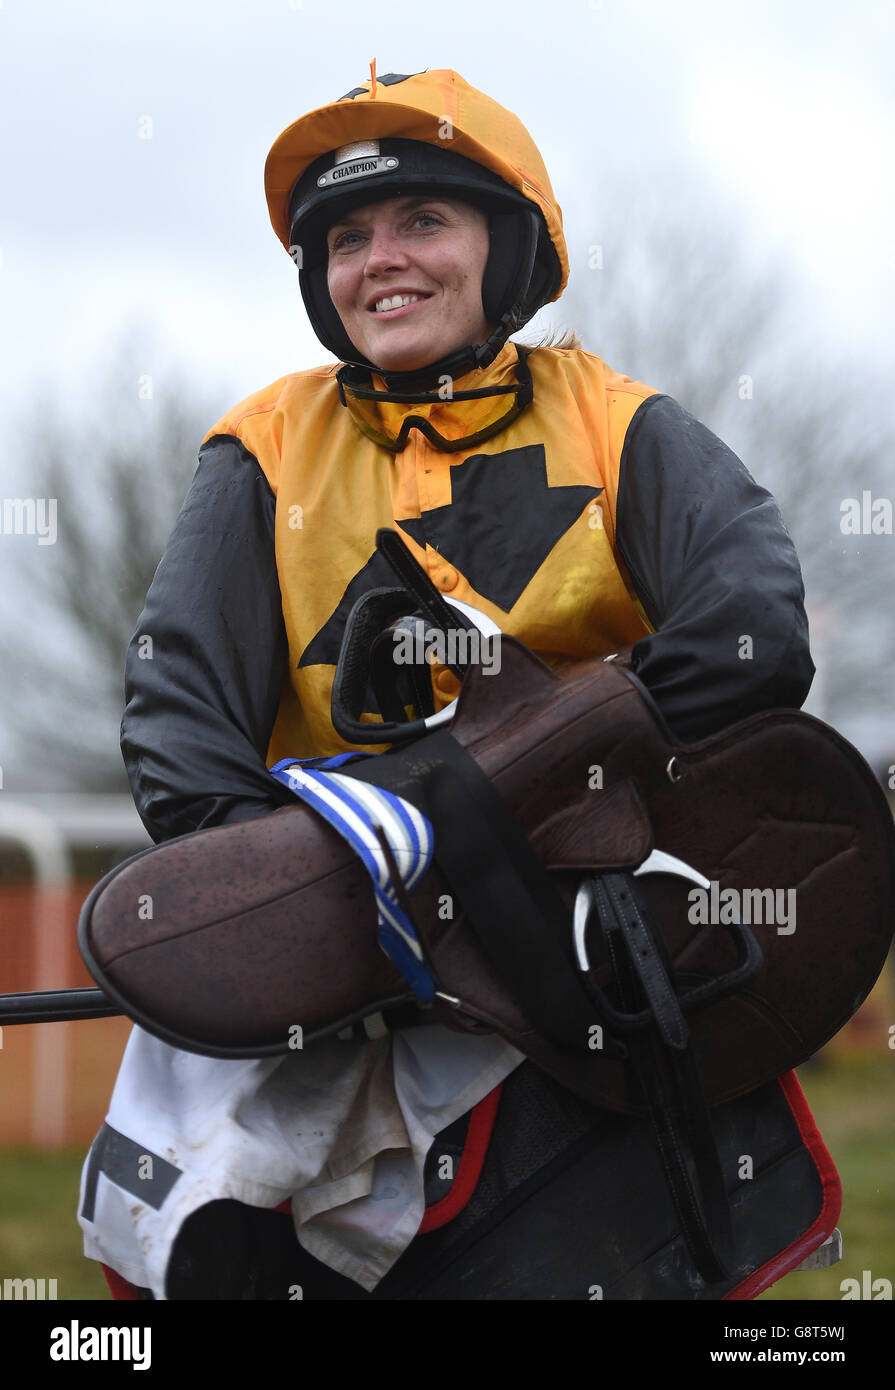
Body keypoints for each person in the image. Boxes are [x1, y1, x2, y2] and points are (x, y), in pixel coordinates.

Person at [79, 64, 817, 1300]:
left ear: (508, 244)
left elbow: (751, 636)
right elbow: (178, 721)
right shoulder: (260, 446)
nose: (382, 261)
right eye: (347, 238)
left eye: (423, 220)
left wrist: (519, 812)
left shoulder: (620, 424)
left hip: (582, 943)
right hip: (342, 949)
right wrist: (309, 908)